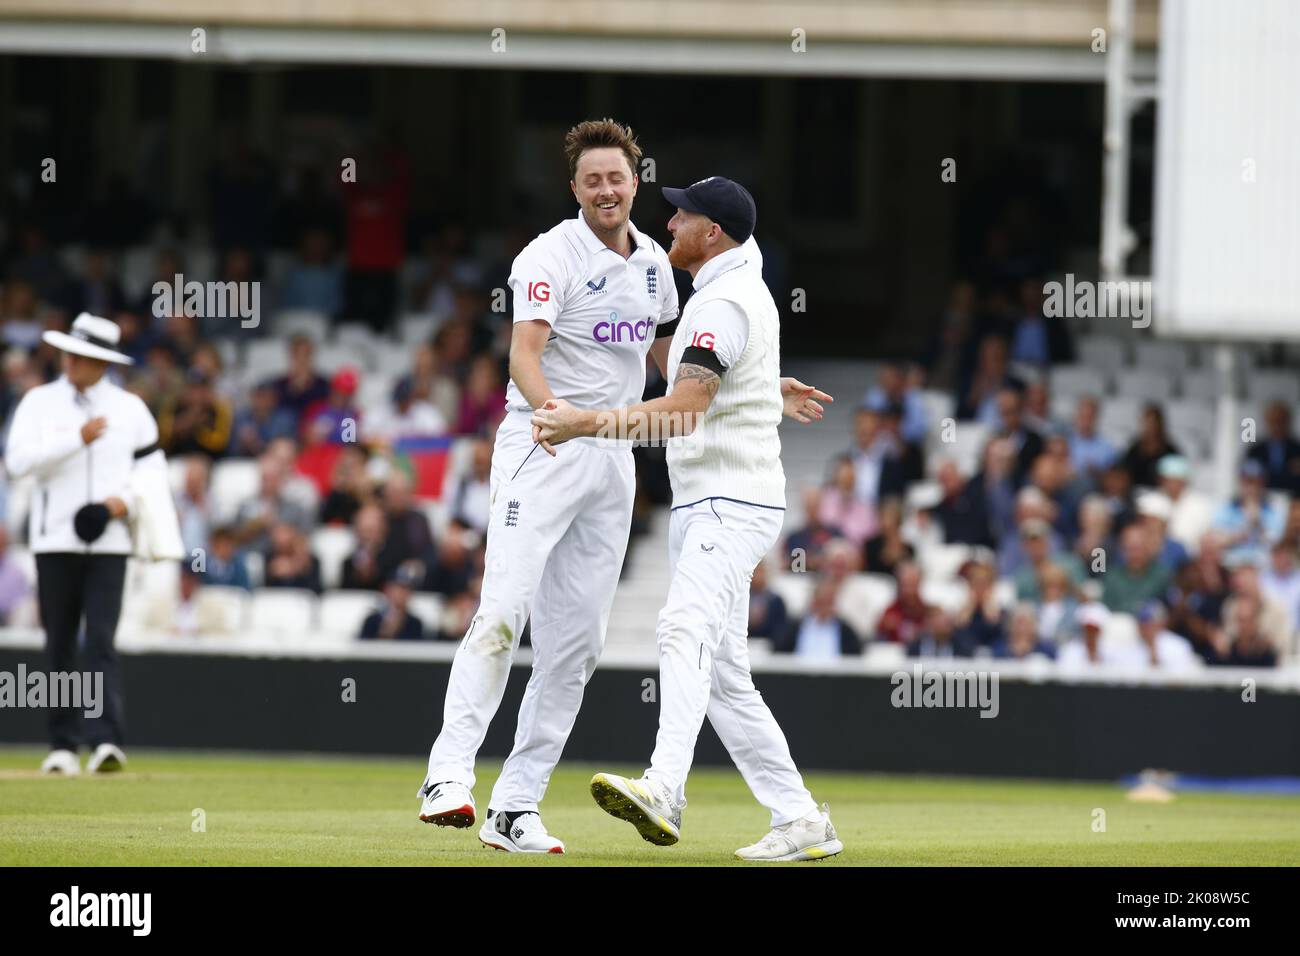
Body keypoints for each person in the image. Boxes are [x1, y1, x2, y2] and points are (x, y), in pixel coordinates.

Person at [533, 174, 842, 862]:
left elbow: (683, 407)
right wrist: (765, 389)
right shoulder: (728, 294)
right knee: (725, 676)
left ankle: (665, 787)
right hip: (719, 498)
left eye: (682, 215)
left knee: (681, 626)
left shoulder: (721, 303)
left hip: (728, 503)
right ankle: (800, 818)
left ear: (713, 233)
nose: (669, 223)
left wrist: (585, 422)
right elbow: (706, 379)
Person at [3, 313, 159, 774]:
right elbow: (16, 462)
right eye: (71, 353)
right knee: (59, 644)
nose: (72, 362)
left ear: (103, 363)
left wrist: (119, 505)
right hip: (54, 541)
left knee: (101, 641)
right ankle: (63, 745)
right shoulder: (39, 402)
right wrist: (76, 439)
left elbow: (151, 471)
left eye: (84, 356)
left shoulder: (131, 409)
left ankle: (106, 740)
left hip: (109, 540)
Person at [359, 562, 426, 641]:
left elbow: (417, 649)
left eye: (405, 589)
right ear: (387, 590)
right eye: (396, 589)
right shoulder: (372, 621)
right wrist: (384, 633)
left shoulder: (415, 624)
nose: (400, 594)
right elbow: (363, 648)